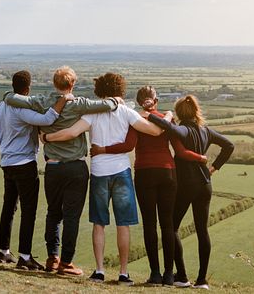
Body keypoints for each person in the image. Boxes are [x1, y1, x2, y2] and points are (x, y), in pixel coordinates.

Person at [40, 73, 166, 285]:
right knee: (123, 224)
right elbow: (154, 131)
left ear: (100, 90)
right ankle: (123, 273)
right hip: (121, 171)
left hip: (99, 172)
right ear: (120, 89)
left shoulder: (94, 113)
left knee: (99, 223)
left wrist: (47, 137)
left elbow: (71, 133)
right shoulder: (127, 111)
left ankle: (99, 271)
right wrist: (168, 117)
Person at [3, 66, 120, 276]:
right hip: (76, 167)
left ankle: (52, 259)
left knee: (53, 214)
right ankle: (66, 262)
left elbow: (10, 98)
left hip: (53, 168)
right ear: (72, 84)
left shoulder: (42, 101)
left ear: (54, 83)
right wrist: (115, 101)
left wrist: (7, 94)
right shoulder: (79, 104)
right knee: (72, 217)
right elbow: (107, 105)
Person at [91, 86, 207, 286]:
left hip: (145, 172)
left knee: (150, 224)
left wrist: (102, 149)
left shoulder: (135, 119)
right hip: (167, 172)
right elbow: (178, 149)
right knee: (168, 225)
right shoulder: (166, 118)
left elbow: (128, 146)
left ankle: (155, 274)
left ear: (138, 101)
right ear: (156, 100)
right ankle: (169, 275)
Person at [146, 95, 235, 289]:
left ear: (179, 113)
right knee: (202, 230)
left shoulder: (183, 131)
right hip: (205, 184)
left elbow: (168, 127)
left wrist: (149, 113)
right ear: (196, 111)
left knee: (172, 227)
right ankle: (202, 280)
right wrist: (214, 168)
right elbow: (229, 145)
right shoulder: (206, 131)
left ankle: (183, 276)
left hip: (185, 185)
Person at [0, 70, 71, 270]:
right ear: (27, 88)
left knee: (8, 208)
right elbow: (47, 120)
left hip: (7, 164)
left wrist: (5, 146)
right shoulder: (20, 108)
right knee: (29, 211)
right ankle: (25, 257)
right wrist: (64, 99)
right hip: (24, 164)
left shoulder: (2, 105)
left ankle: (3, 252)